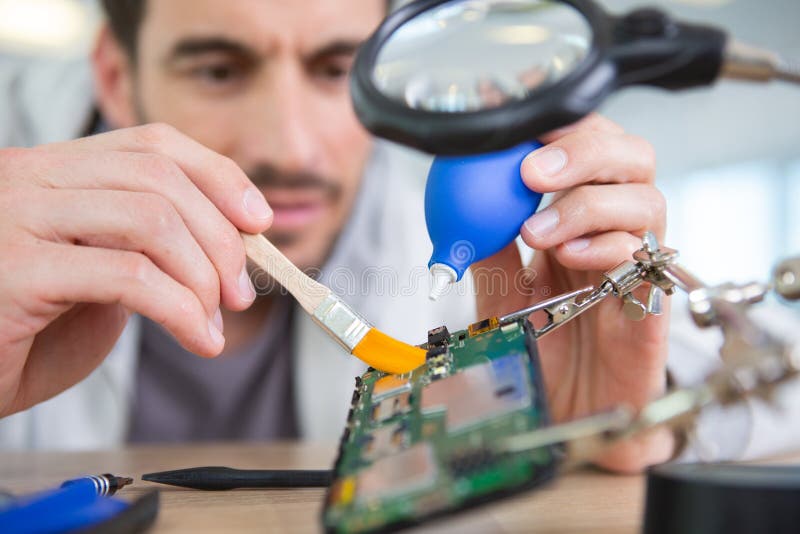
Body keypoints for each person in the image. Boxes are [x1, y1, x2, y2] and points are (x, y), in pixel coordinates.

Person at [0, 0, 675, 473]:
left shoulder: (483, 258)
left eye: (333, 70)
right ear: (117, 78)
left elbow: (775, 398)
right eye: (219, 71)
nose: (290, 148)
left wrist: (606, 432)